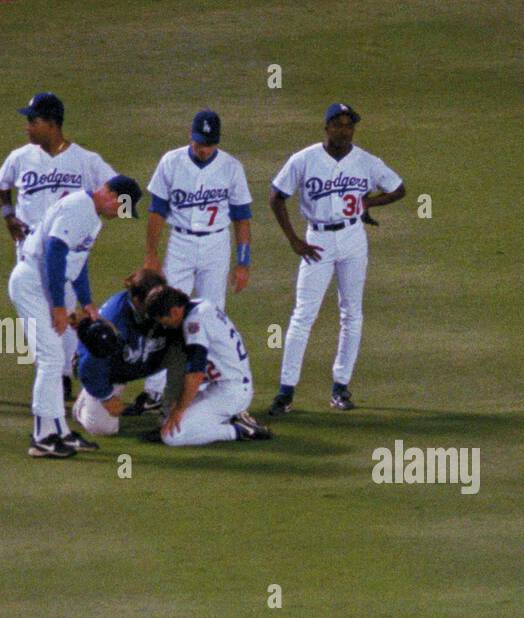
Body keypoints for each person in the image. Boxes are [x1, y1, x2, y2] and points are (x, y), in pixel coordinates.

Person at [267, 102, 404, 415]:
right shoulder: (304, 159)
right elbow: (276, 196)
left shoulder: (366, 161)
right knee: (303, 315)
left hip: (354, 238)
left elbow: (399, 189)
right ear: (326, 127)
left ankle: (340, 387)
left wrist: (369, 201)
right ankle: (286, 392)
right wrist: (293, 240)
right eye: (339, 124)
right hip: (317, 239)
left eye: (350, 125)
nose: (345, 130)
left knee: (352, 313)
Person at [0, 91, 116, 404]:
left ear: (51, 123)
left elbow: (118, 190)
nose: (27, 127)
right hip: (30, 252)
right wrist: (8, 215)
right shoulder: (19, 157)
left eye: (32, 121)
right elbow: (1, 184)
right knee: (39, 323)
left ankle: (61, 378)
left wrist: (99, 214)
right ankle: (54, 380)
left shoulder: (85, 161)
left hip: (66, 255)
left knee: (64, 318)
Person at [7, 175, 143, 457]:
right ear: (109, 193)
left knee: (55, 359)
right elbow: (55, 254)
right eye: (122, 207)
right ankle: (43, 437)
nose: (120, 214)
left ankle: (60, 431)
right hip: (32, 283)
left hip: (46, 284)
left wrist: (87, 302)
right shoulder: (79, 208)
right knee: (51, 358)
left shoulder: (92, 217)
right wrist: (58, 306)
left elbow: (77, 262)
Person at [132, 108, 253, 416]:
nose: (204, 149)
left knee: (212, 314)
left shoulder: (231, 167)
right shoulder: (171, 162)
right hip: (181, 243)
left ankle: (208, 388)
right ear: (191, 136)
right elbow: (157, 210)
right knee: (163, 313)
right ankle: (155, 391)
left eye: (210, 144)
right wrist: (150, 255)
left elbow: (241, 217)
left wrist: (243, 262)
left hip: (216, 243)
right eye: (200, 142)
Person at [142, 286, 271, 445]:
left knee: (172, 436)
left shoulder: (195, 321)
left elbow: (196, 373)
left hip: (231, 391)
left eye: (164, 320)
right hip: (220, 383)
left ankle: (238, 430)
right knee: (168, 419)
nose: (164, 325)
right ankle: (225, 418)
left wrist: (179, 410)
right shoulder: (199, 304)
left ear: (175, 311)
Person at [71, 270, 179, 436]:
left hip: (142, 359)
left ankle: (172, 409)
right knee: (102, 428)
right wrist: (106, 396)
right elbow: (89, 366)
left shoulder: (166, 304)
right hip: (109, 370)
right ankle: (82, 406)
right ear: (136, 300)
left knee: (184, 350)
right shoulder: (114, 320)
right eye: (152, 302)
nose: (158, 305)